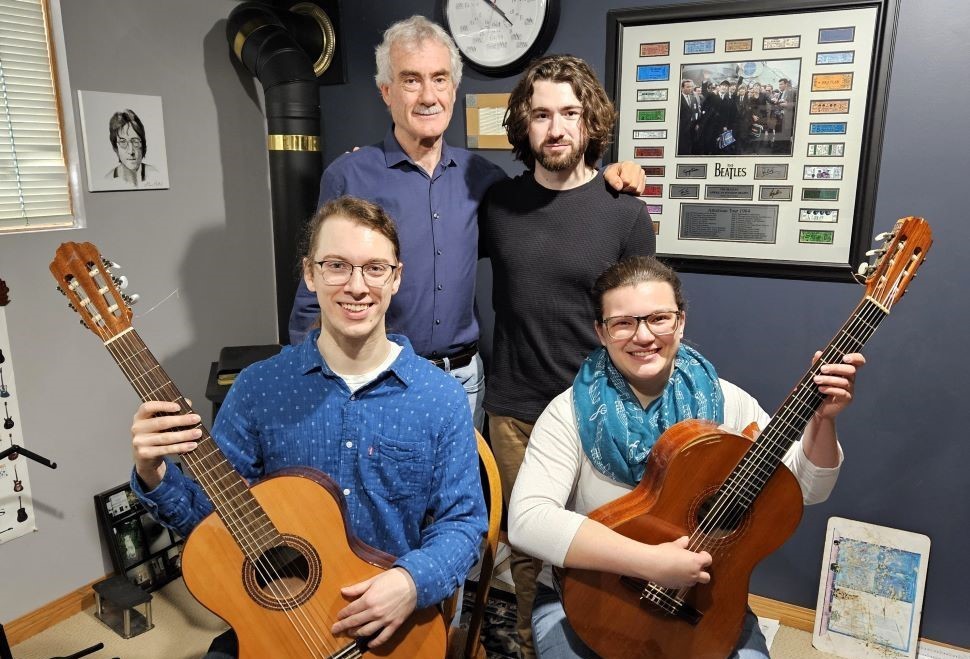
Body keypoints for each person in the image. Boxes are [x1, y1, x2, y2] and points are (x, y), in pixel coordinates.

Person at [130, 196, 487, 658]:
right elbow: (212, 523)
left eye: (374, 268)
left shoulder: (439, 397)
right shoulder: (259, 388)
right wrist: (152, 472)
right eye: (336, 265)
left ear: (396, 278)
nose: (356, 286)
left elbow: (464, 523)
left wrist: (409, 582)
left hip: (387, 631)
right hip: (279, 620)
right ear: (310, 273)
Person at [287, 16, 644, 429]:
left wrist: (616, 175)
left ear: (454, 90)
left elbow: (555, 210)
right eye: (410, 80)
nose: (427, 96)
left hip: (465, 382)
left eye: (439, 79)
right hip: (380, 377)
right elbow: (314, 291)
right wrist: (307, 380)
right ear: (386, 91)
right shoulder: (351, 176)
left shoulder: (482, 178)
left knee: (465, 493)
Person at [508, 255, 866, 658]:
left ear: (680, 321)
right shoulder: (570, 411)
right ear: (601, 332)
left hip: (702, 598)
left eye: (658, 318)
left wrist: (822, 422)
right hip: (589, 592)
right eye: (623, 322)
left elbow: (805, 489)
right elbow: (526, 521)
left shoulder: (726, 402)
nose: (643, 336)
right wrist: (649, 563)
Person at [479, 55, 656, 659]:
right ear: (524, 126)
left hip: (595, 413)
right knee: (528, 557)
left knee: (602, 550)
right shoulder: (498, 206)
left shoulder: (624, 211)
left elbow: (643, 318)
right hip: (516, 411)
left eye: (570, 113)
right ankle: (535, 648)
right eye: (541, 114)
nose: (555, 128)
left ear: (590, 122)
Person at [104, 109, 163, 188]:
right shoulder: (108, 180)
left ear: (143, 144)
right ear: (115, 147)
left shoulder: (155, 174)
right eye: (123, 142)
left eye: (135, 141)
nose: (131, 151)